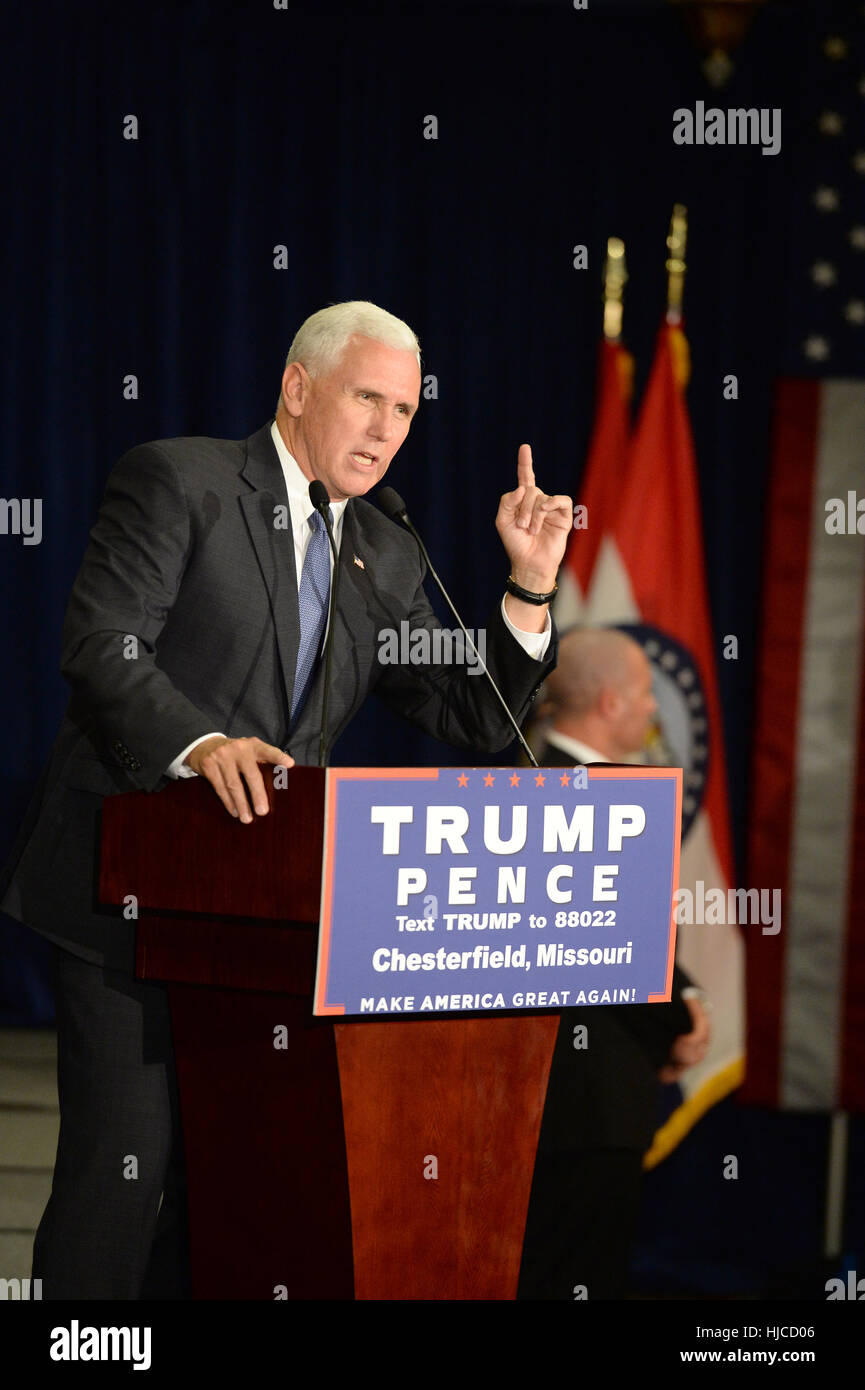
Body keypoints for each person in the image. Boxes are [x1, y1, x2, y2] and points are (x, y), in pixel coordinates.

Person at [0, 300, 573, 1299]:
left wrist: (525, 590)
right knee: (121, 1180)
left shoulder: (385, 553)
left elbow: (473, 716)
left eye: (404, 410)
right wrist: (202, 742)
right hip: (129, 897)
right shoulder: (181, 482)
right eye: (367, 399)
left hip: (267, 928)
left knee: (224, 1190)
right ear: (298, 387)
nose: (388, 429)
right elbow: (102, 645)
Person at [517, 626, 710, 1300]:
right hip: (592, 1098)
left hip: (528, 1099)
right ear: (606, 703)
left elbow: (619, 932)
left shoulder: (518, 777)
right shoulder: (608, 801)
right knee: (575, 1275)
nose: (654, 709)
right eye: (642, 695)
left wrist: (683, 996)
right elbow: (613, 951)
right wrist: (680, 1023)